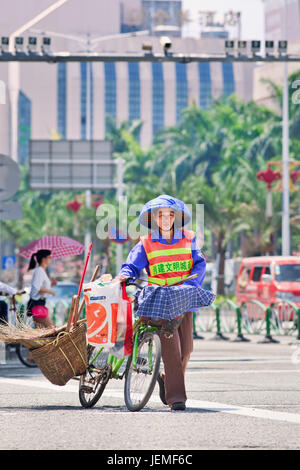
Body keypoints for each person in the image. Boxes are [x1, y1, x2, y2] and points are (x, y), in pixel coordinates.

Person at [116, 195, 206, 411]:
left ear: (176, 217)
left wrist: (192, 284)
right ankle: (176, 398)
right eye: (161, 215)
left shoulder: (188, 238)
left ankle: (166, 378)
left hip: (184, 297)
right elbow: (131, 266)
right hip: (160, 299)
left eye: (170, 214)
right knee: (171, 347)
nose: (166, 219)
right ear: (155, 219)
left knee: (187, 351)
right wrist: (124, 275)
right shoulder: (146, 242)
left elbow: (199, 265)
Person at [27, 249, 57, 329]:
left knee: (41, 329)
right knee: (51, 328)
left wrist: (51, 285)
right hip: (37, 304)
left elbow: (41, 287)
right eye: (49, 257)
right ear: (44, 259)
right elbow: (37, 288)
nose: (50, 259)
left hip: (41, 304)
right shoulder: (39, 271)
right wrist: (50, 291)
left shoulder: (42, 271)